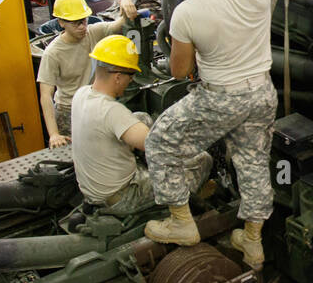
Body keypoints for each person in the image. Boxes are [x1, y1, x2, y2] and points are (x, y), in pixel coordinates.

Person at [143, 0, 299, 267]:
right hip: (262, 92)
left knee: (160, 141)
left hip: (222, 97)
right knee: (252, 161)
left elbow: (180, 72)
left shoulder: (188, 13)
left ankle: (182, 222)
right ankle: (252, 241)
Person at [70, 35, 211, 216]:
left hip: (95, 189)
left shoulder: (81, 94)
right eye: (131, 75)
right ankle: (183, 210)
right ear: (118, 77)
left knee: (141, 117)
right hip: (122, 197)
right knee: (202, 159)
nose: (132, 80)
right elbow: (159, 146)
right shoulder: (111, 111)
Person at [37, 0, 137, 146]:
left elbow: (122, 21)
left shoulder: (93, 32)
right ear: (61, 22)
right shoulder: (53, 53)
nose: (83, 27)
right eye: (76, 23)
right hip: (68, 111)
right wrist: (54, 134)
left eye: (84, 21)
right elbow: (45, 95)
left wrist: (125, 0)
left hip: (92, 105)